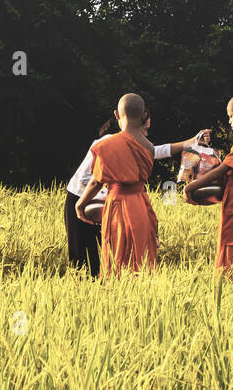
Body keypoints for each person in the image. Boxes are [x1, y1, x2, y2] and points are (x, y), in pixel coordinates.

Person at [65, 113, 208, 275]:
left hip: (108, 205)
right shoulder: (108, 143)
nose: (146, 134)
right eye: (145, 129)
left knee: (110, 257)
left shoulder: (136, 145)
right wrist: (109, 194)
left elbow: (156, 151)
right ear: (134, 124)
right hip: (82, 199)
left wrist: (190, 143)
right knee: (83, 262)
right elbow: (85, 180)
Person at [74, 94, 159, 274]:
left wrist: (80, 204)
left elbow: (97, 181)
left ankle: (119, 294)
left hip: (118, 205)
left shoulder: (108, 144)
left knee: (118, 256)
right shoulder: (149, 146)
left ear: (117, 115)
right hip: (141, 205)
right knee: (141, 255)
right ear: (143, 114)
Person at [184, 94, 233, 270]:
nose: (228, 121)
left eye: (230, 116)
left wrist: (191, 186)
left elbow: (224, 169)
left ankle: (231, 283)